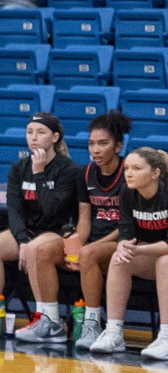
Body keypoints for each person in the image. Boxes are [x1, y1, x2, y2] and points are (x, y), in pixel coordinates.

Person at [0, 114, 89, 344]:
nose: (33, 137)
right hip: (29, 232)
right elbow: (14, 210)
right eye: (29, 132)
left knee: (35, 249)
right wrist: (22, 240)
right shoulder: (18, 168)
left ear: (55, 137)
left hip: (56, 230)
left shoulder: (69, 170)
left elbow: (52, 210)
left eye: (40, 132)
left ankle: (48, 320)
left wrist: (39, 174)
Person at [91, 147, 168, 357]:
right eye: (127, 168)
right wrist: (123, 245)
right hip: (152, 254)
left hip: (162, 257)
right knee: (120, 258)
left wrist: (139, 249)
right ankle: (114, 333)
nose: (129, 173)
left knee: (165, 262)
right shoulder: (127, 192)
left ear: (155, 173)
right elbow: (125, 230)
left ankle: (166, 337)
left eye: (137, 168)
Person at [74, 111, 132, 345]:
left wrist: (89, 248)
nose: (95, 150)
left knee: (88, 254)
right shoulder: (85, 173)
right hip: (94, 242)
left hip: (122, 241)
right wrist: (76, 245)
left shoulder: (130, 172)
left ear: (118, 146)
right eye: (91, 144)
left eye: (102, 144)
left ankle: (92, 323)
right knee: (43, 251)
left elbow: (128, 224)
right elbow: (84, 219)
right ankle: (49, 318)